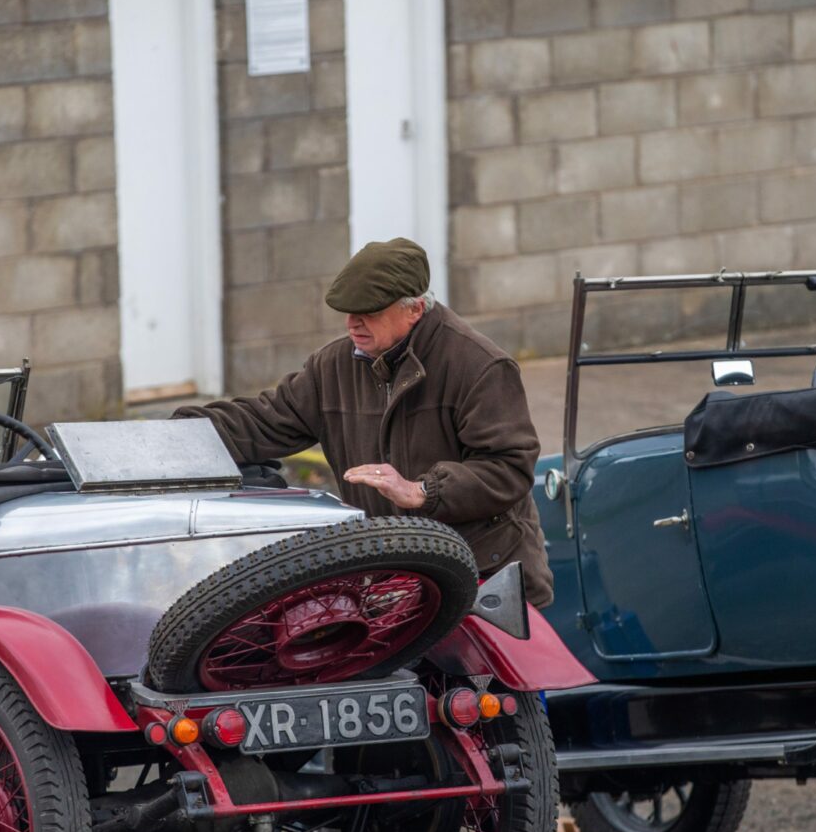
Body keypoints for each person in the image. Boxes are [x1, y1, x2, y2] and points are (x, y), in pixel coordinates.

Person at [174, 236, 553, 608]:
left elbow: (509, 469)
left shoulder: (480, 365)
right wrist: (174, 436)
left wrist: (422, 491)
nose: (353, 323)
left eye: (369, 312)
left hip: (484, 580)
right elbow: (263, 421)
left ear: (415, 309)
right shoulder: (332, 367)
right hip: (393, 579)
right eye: (348, 311)